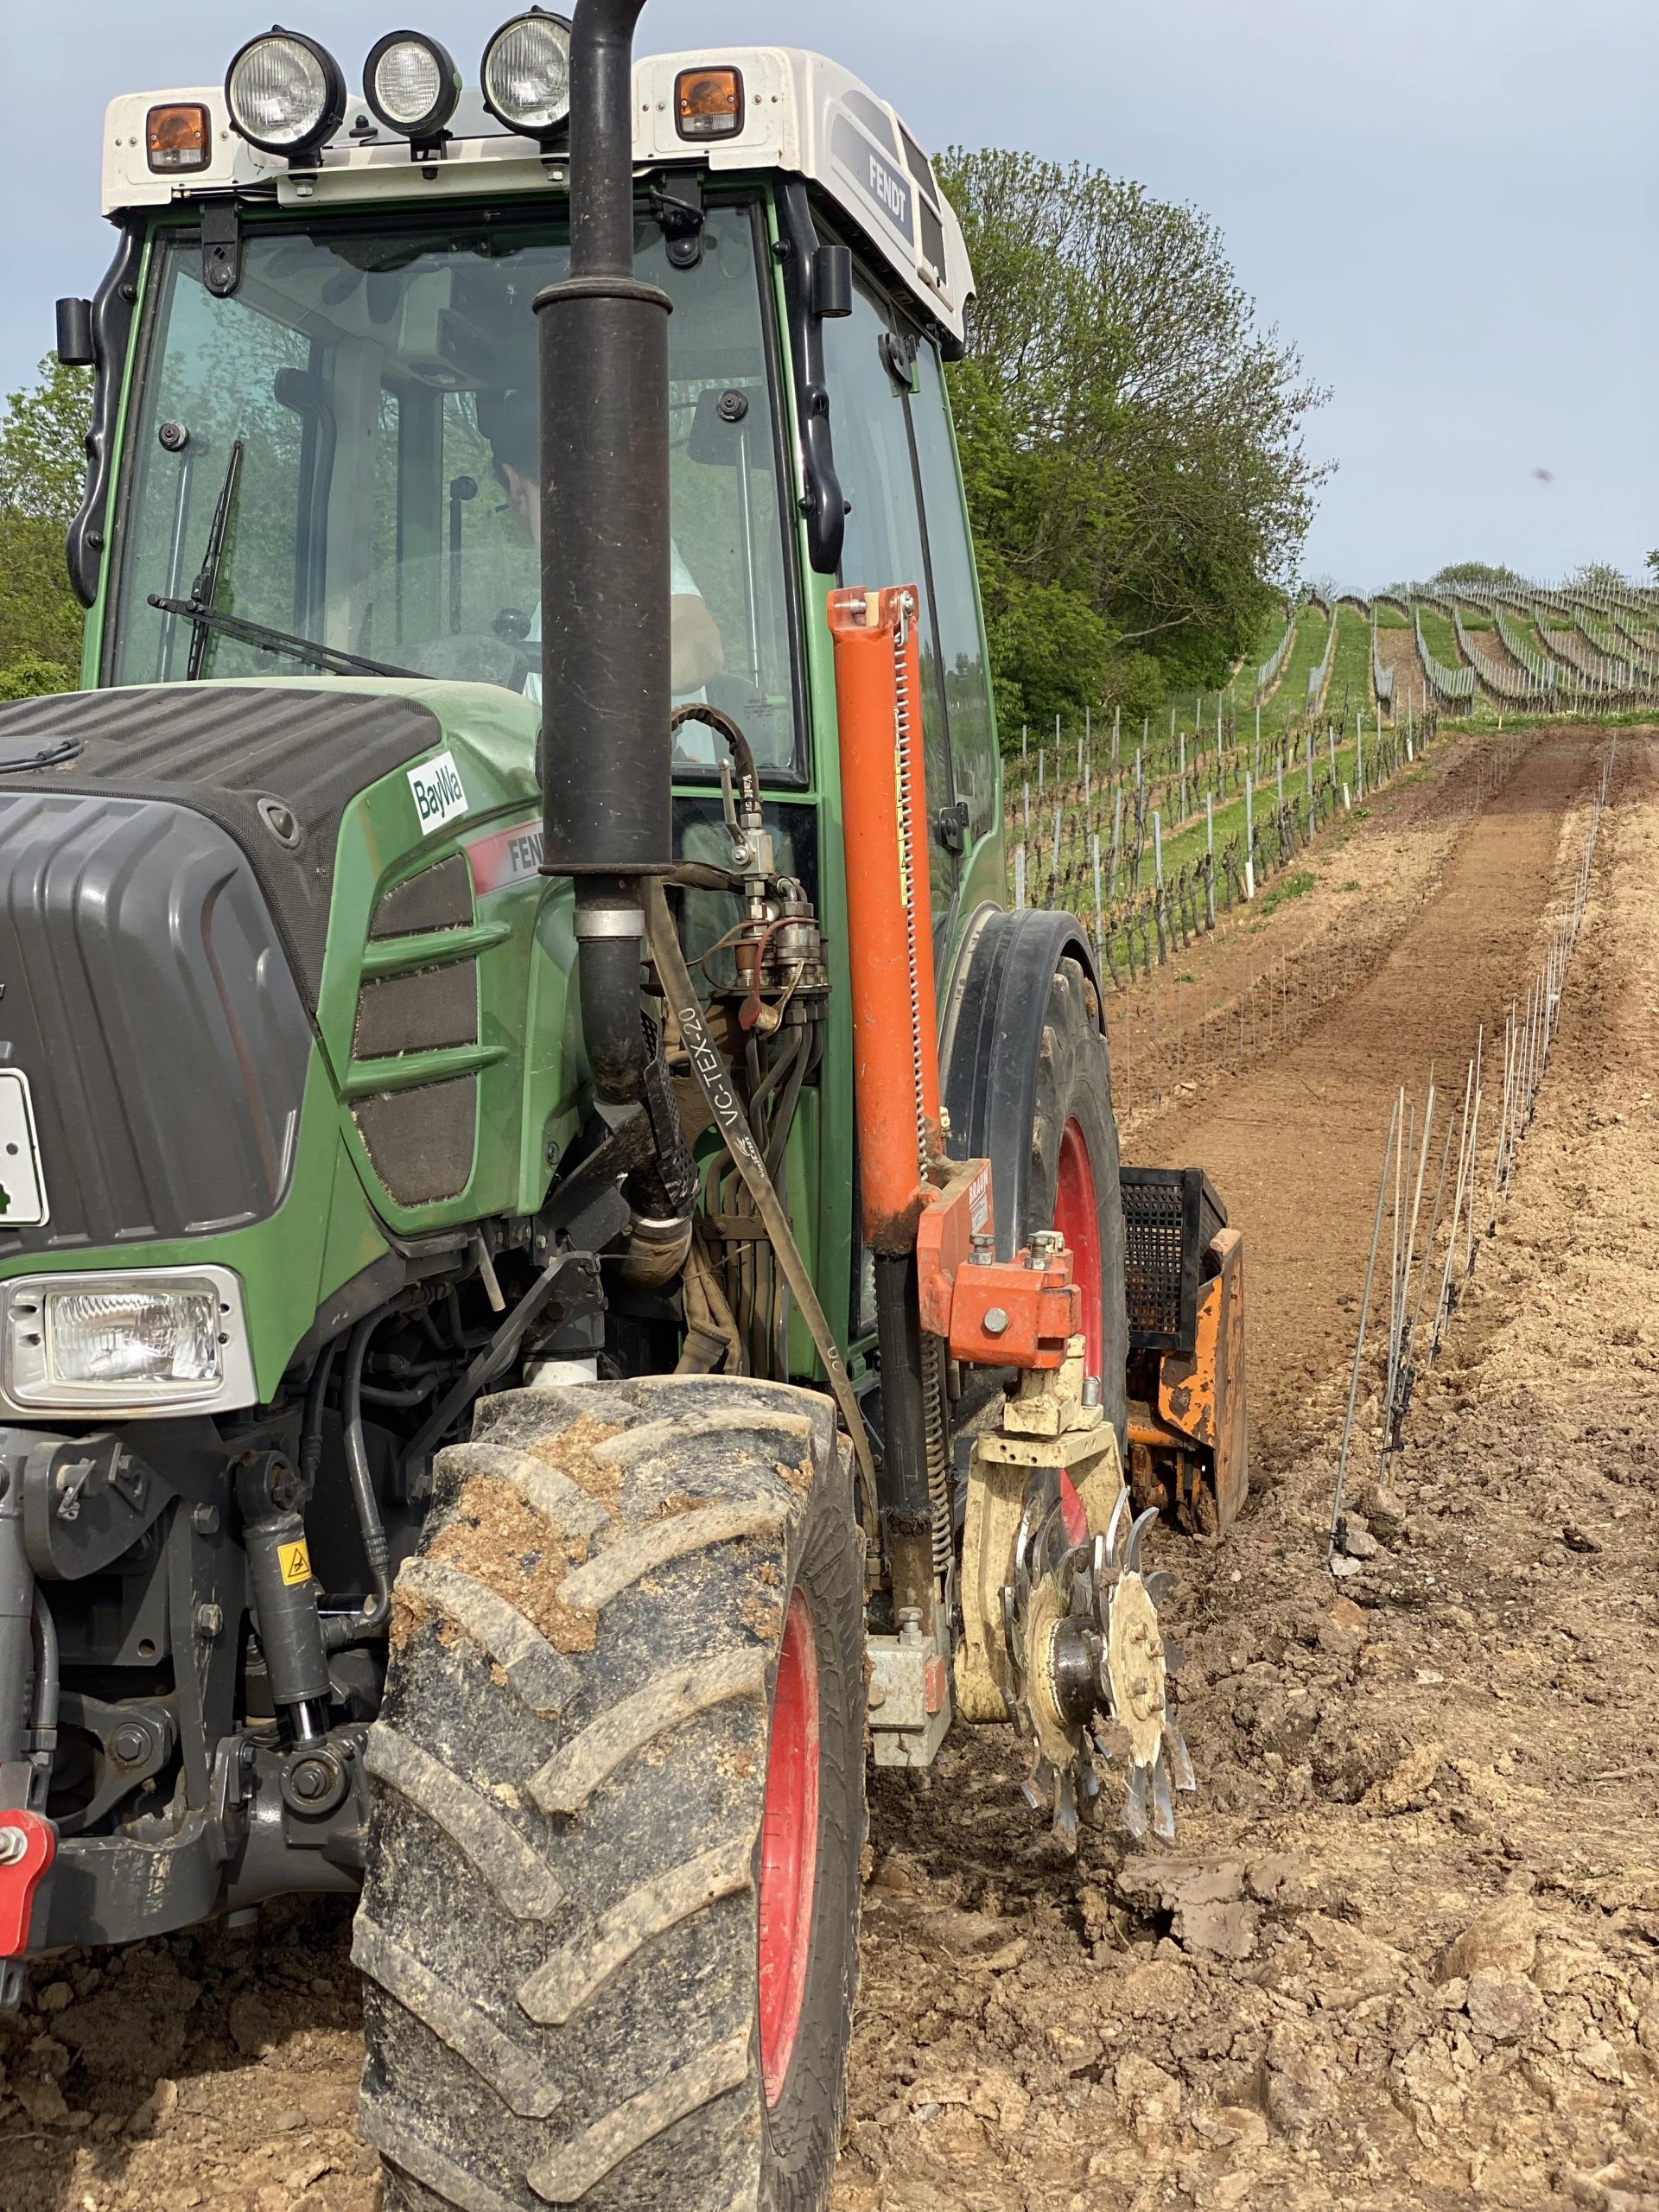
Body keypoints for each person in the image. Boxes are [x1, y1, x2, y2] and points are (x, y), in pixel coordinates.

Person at [476, 385, 724, 706]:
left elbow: (699, 641)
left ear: (512, 483)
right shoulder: (561, 577)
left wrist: (606, 688)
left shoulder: (621, 545)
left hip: (653, 757)